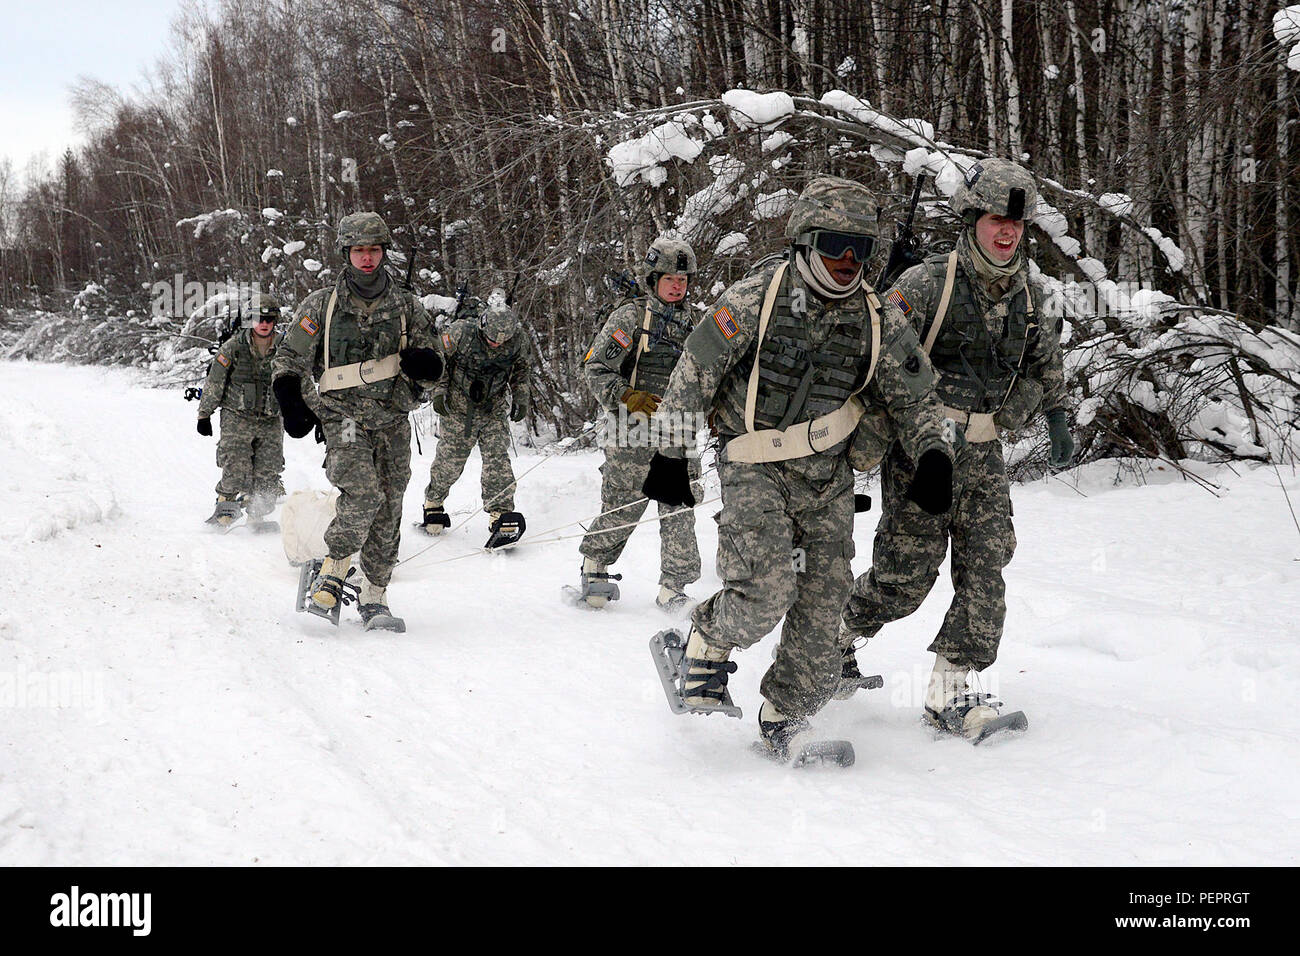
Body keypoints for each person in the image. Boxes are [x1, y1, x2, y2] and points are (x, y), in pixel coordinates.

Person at [642, 176, 956, 759]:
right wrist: (669, 453)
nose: (845, 261)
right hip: (753, 462)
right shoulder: (754, 298)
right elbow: (694, 373)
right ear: (806, 241)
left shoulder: (879, 318)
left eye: (859, 250)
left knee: (824, 599)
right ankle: (706, 639)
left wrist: (935, 454)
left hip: (829, 476)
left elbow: (917, 398)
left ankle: (786, 713)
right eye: (834, 245)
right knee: (766, 589)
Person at [838, 158, 1072, 739]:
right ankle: (837, 633)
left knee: (987, 563)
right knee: (905, 578)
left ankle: (952, 687)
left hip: (987, 450)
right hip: (925, 450)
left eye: (1016, 224)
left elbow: (1045, 368)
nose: (1006, 233)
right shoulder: (927, 283)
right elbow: (877, 359)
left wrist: (1054, 416)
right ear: (973, 219)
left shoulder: (1035, 296)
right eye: (996, 219)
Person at [272, 212, 444, 631]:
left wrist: (428, 365)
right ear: (346, 253)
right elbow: (288, 358)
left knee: (389, 503)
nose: (366, 258)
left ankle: (375, 593)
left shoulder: (406, 305)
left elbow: (435, 360)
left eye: (373, 250)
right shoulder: (322, 305)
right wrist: (292, 401)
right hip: (343, 417)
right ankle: (332, 569)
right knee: (364, 493)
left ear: (383, 252)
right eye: (358, 250)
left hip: (392, 418)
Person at [575, 237, 703, 611]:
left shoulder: (698, 323)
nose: (678, 285)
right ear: (653, 279)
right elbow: (596, 368)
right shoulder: (630, 317)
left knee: (678, 503)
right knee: (624, 503)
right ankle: (595, 566)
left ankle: (674, 586)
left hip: (679, 427)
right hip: (629, 428)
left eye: (683, 279)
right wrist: (628, 397)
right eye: (670, 278)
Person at [420, 297, 531, 537]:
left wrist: (521, 397)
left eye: (502, 341)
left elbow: (521, 370)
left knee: (497, 460)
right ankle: (433, 502)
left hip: (493, 408)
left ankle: (501, 513)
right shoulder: (461, 332)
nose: (496, 344)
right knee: (450, 462)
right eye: (492, 340)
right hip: (459, 409)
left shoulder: (518, 341)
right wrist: (439, 392)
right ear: (482, 327)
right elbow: (438, 361)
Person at [196, 293, 285, 526]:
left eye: (268, 319)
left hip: (271, 419)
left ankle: (258, 513)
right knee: (235, 465)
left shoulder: (285, 348)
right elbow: (215, 381)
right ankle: (225, 505)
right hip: (237, 417)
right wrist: (204, 414)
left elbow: (301, 380)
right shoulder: (234, 347)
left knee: (269, 471)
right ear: (250, 320)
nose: (263, 324)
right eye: (258, 319)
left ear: (275, 321)